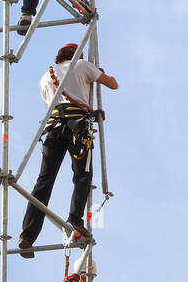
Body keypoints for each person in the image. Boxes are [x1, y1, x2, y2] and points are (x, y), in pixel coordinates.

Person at [18, 42, 118, 258]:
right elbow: (113, 84)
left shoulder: (45, 77)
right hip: (77, 127)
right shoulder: (81, 65)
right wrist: (99, 72)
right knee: (82, 175)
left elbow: (53, 106)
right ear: (78, 56)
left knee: (44, 181)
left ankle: (27, 236)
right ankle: (75, 219)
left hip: (54, 128)